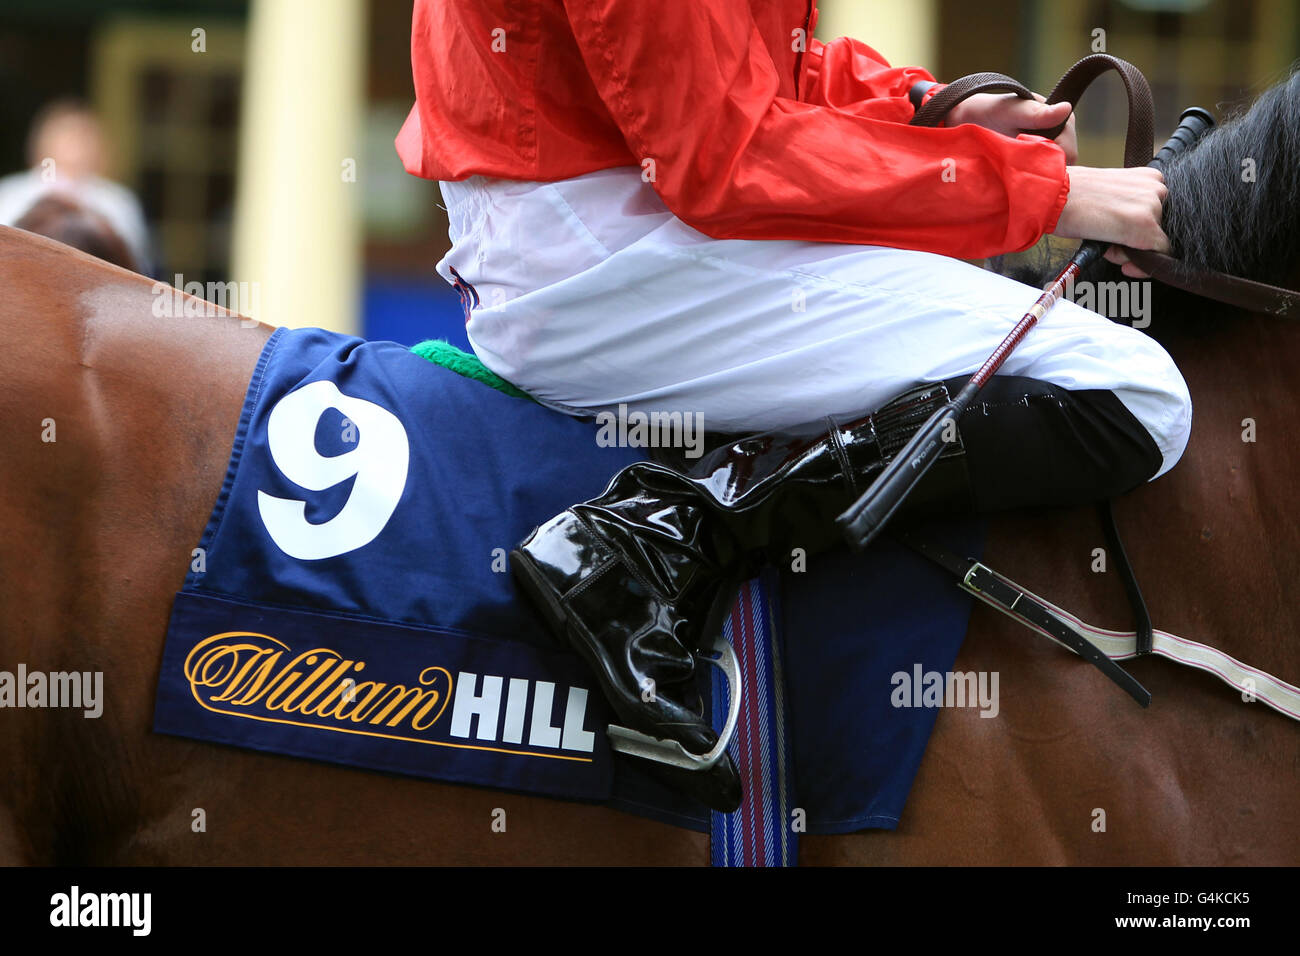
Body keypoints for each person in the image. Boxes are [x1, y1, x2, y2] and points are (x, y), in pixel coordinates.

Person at [397, 1, 1190, 810]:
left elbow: (765, 64)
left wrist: (926, 109)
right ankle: (660, 544)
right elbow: (723, 156)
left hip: (614, 211)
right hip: (614, 246)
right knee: (1132, 389)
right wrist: (1046, 192)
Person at [0, 99, 151, 274]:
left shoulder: (118, 201)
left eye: (83, 138)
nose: (75, 147)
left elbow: (135, 266)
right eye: (66, 136)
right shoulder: (9, 194)